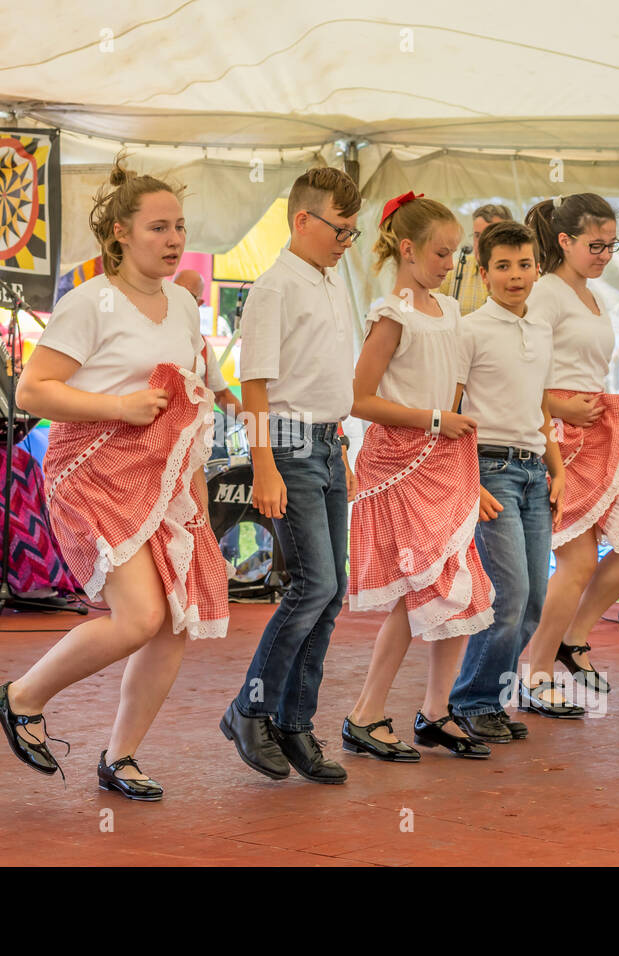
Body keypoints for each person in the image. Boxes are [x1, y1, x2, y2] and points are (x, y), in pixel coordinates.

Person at [0, 156, 229, 802]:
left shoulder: (181, 304)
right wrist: (118, 408)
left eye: (178, 227)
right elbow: (35, 390)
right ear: (120, 232)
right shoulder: (91, 301)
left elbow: (186, 407)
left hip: (163, 476)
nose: (174, 239)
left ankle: (121, 756)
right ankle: (20, 697)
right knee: (139, 616)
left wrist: (196, 496)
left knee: (174, 620)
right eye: (157, 228)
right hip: (92, 470)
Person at [219, 166, 359, 784]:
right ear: (303, 220)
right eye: (339, 229)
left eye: (352, 233)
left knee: (332, 591)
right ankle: (251, 709)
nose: (345, 241)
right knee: (312, 585)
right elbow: (254, 385)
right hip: (291, 445)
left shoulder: (330, 280)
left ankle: (294, 721)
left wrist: (341, 443)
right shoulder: (276, 286)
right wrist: (265, 467)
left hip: (328, 443)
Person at [342, 192, 494, 761]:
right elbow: (357, 398)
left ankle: (435, 711)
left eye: (455, 254)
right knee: (422, 588)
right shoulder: (391, 314)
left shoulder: (451, 312)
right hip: (402, 460)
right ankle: (365, 713)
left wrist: (453, 434)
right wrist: (434, 420)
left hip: (448, 459)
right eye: (440, 253)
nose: (449, 264)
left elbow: (453, 387)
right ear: (407, 250)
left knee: (459, 585)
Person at [517, 194, 619, 710]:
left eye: (611, 244)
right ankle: (534, 674)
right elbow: (516, 371)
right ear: (564, 241)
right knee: (576, 561)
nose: (605, 254)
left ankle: (571, 637)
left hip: (600, 430)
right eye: (595, 245)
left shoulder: (590, 294)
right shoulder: (546, 293)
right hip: (559, 436)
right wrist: (560, 407)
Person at [448, 220, 565, 742]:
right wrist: (468, 483)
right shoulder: (468, 330)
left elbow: (540, 404)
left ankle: (491, 699)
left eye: (523, 265)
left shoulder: (541, 330)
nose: (514, 276)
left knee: (536, 598)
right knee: (509, 593)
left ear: (537, 268)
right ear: (483, 270)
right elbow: (449, 412)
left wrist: (557, 467)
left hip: (535, 471)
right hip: (488, 468)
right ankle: (472, 701)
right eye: (502, 266)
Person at [437, 203, 511, 314]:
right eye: (477, 235)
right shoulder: (454, 270)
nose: (481, 243)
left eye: (490, 235)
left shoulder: (522, 273)